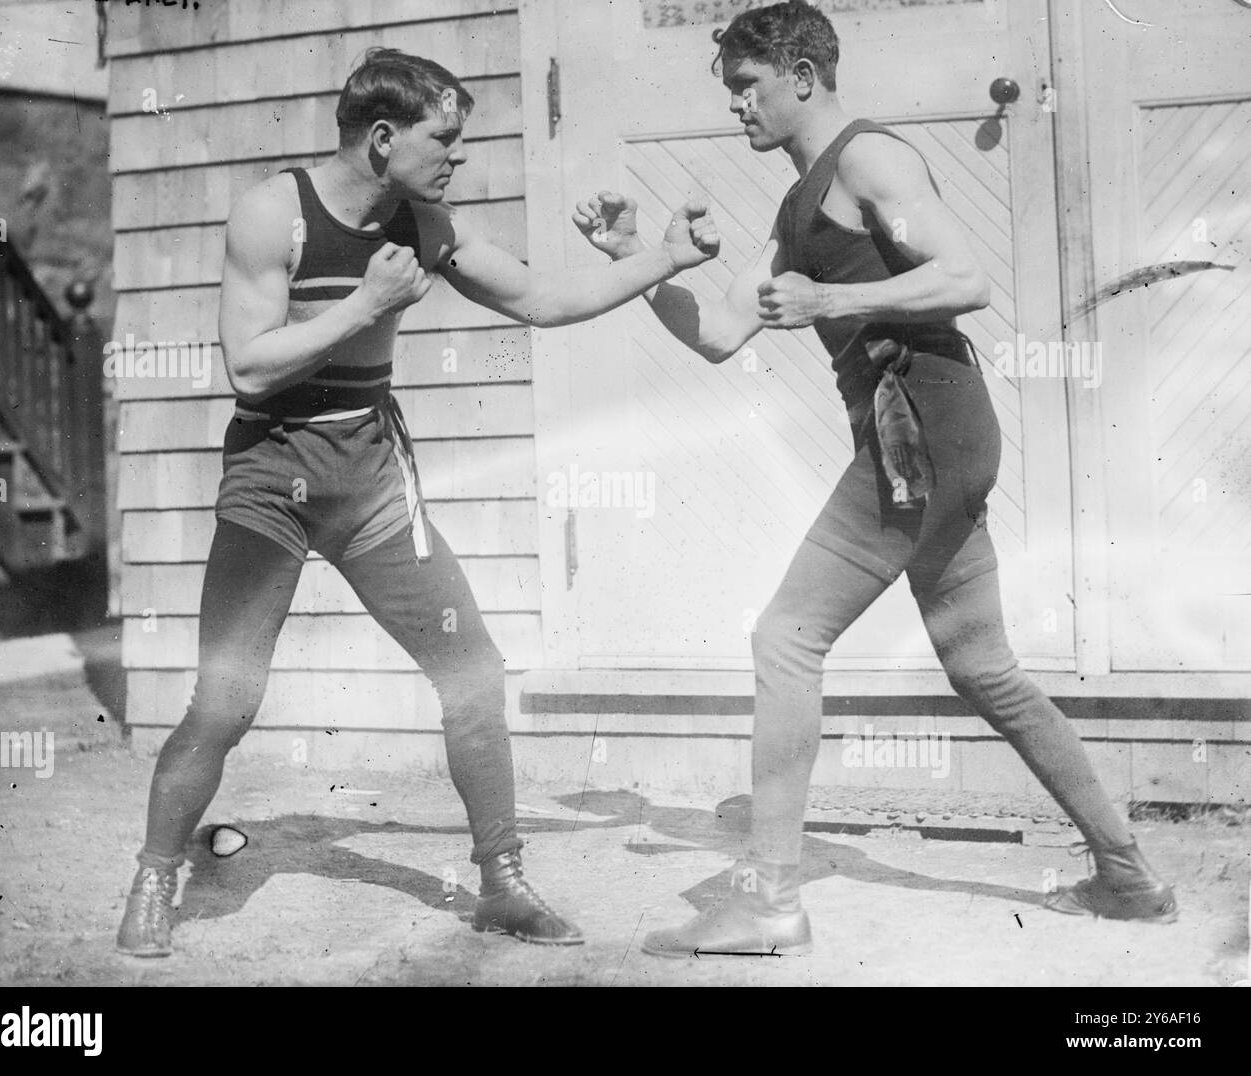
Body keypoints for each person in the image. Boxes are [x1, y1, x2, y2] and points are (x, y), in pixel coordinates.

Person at [572, 0, 1176, 958]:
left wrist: (832, 297)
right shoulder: (797, 202)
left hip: (922, 432)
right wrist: (640, 263)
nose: (737, 106)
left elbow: (968, 277)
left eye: (748, 86)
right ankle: (1127, 871)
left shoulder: (869, 160)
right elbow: (724, 335)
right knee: (981, 665)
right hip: (930, 439)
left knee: (786, 637)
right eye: (732, 91)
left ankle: (772, 899)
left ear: (802, 75)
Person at [116, 46, 719, 957]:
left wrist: (663, 257)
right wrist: (366, 306)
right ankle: (157, 876)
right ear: (385, 137)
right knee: (227, 700)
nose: (460, 156)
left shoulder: (423, 221)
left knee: (472, 671)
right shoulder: (271, 211)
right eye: (447, 138)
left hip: (368, 478)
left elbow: (544, 300)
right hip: (271, 478)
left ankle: (503, 883)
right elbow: (247, 367)